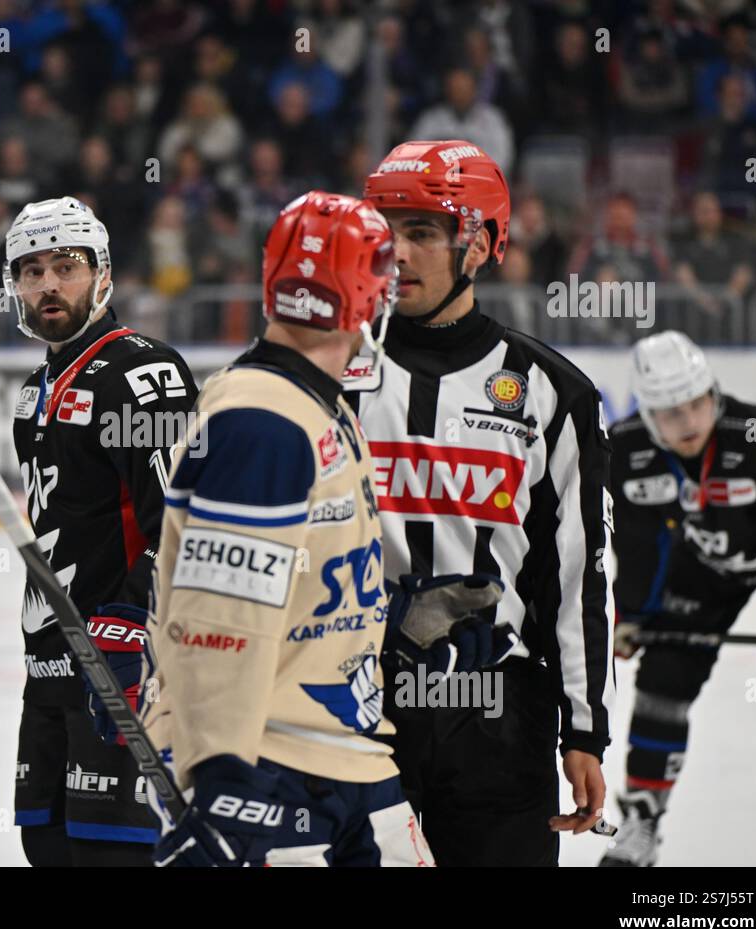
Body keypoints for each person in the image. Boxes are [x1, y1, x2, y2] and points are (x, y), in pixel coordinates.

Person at [142, 190, 506, 866]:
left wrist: (404, 625)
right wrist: (224, 783)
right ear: (368, 298)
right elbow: (220, 618)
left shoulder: (313, 405)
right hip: (267, 765)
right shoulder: (264, 420)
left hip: (349, 754)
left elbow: (301, 581)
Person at [348, 140, 616, 865]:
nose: (395, 253)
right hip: (356, 710)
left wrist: (585, 730)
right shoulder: (331, 374)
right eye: (385, 230)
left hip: (501, 718)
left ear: (483, 244)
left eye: (423, 233)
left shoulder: (553, 391)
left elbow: (577, 571)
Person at [3, 196, 197, 866]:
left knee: (110, 853)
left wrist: (132, 629)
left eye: (65, 266)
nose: (48, 284)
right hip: (50, 665)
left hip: (119, 671)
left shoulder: (143, 374)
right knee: (47, 844)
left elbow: (179, 524)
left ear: (103, 272)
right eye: (31, 271)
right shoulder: (35, 390)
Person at [601, 331, 756, 866]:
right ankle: (642, 820)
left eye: (696, 405)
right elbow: (639, 543)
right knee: (666, 675)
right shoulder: (625, 450)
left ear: (713, 392)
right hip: (703, 572)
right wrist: (633, 614)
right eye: (670, 413)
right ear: (646, 414)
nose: (688, 422)